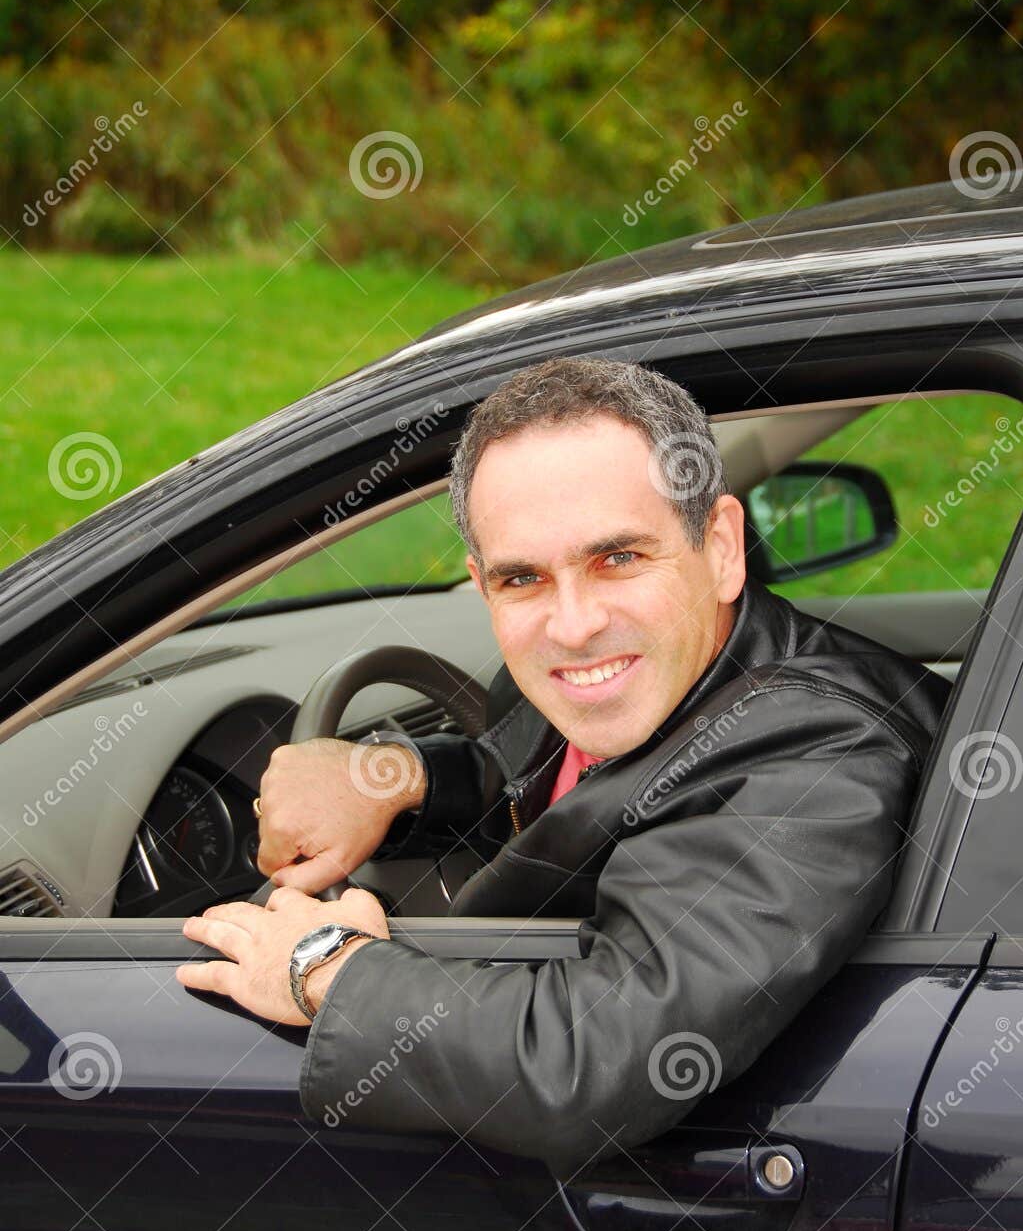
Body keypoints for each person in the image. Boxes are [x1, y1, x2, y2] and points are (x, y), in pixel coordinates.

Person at [177, 358, 950, 1176]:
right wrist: (396, 777)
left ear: (720, 548)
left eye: (617, 558)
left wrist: (327, 968)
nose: (573, 625)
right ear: (483, 587)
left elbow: (600, 1059)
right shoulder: (610, 678)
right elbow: (550, 792)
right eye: (523, 578)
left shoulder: (818, 751)